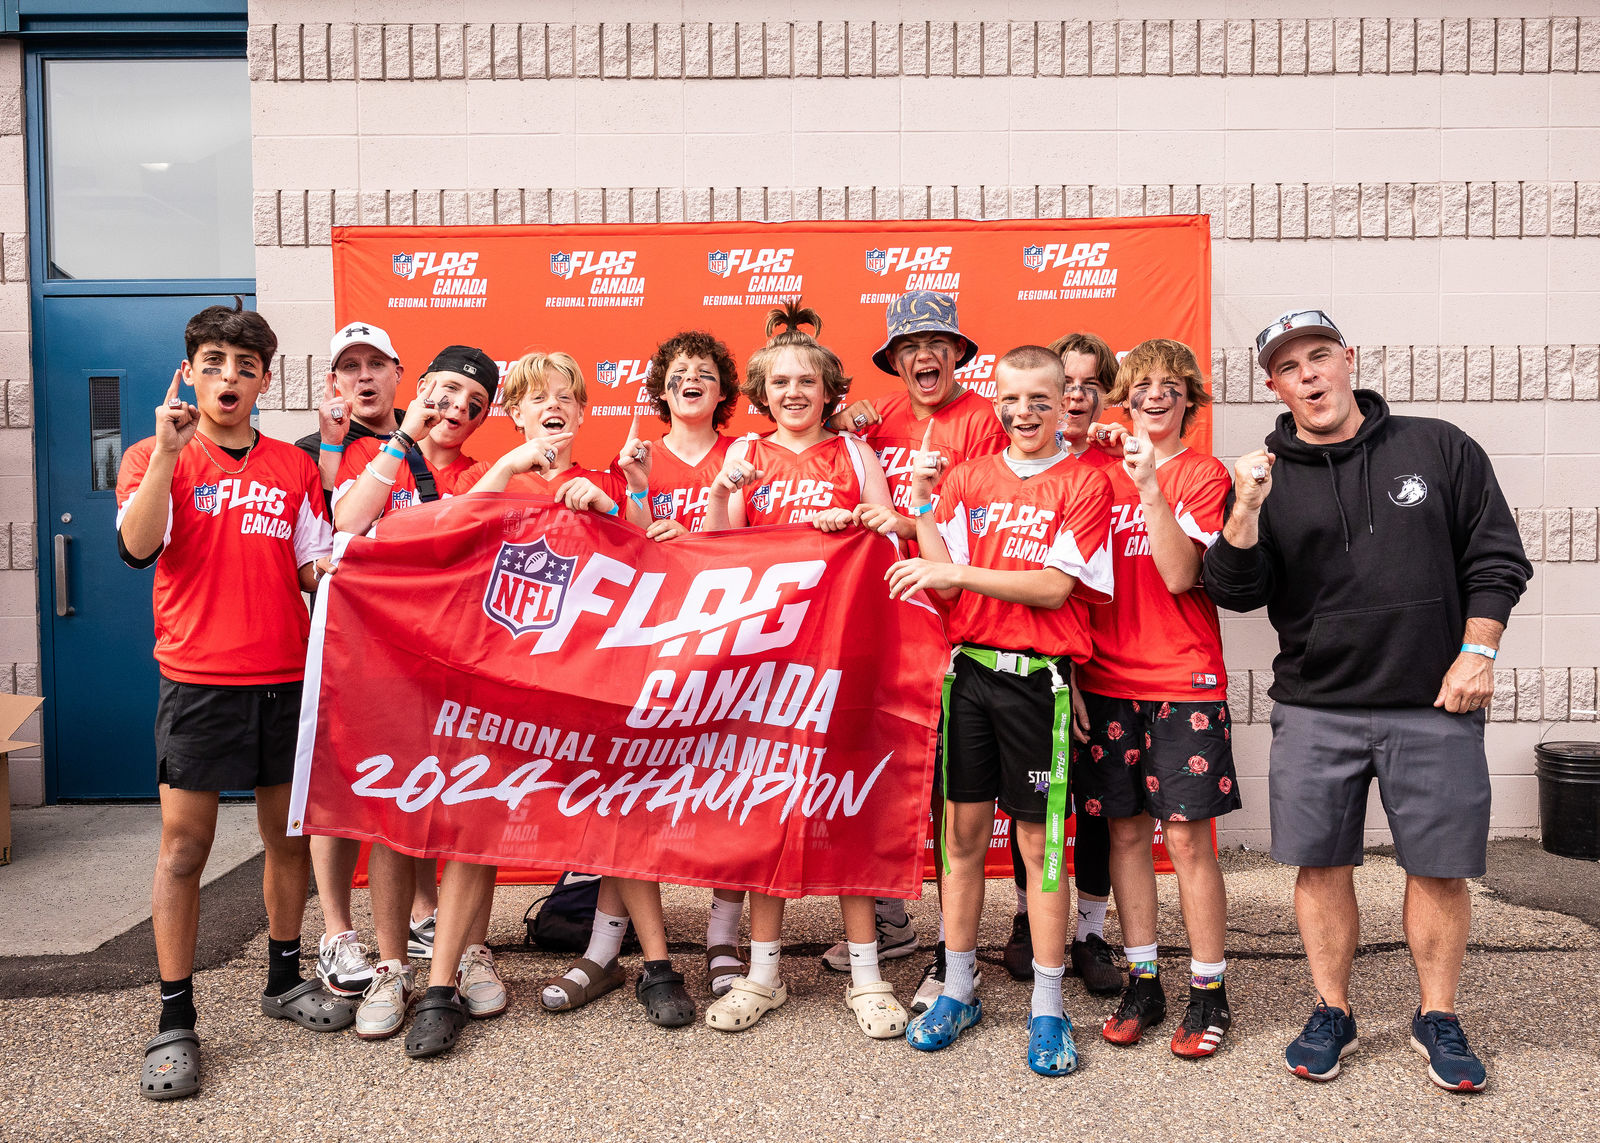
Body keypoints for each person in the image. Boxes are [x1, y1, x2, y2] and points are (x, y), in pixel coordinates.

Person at [1203, 309, 1532, 1092]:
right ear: (1274, 385)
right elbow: (1236, 591)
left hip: (1434, 703)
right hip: (1318, 706)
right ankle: (1332, 1010)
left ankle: (1438, 1015)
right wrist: (1244, 509)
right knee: (1320, 865)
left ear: (1349, 359)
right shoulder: (1261, 477)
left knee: (1440, 867)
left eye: (1320, 356)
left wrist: (1477, 652)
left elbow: (1496, 556)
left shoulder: (1437, 445)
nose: (1309, 374)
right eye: (1290, 367)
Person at [118, 301, 345, 1101]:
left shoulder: (290, 466)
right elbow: (138, 546)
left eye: (245, 366)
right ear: (190, 370)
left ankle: (284, 980)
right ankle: (175, 1018)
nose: (229, 377)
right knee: (185, 850)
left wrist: (367, 580)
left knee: (287, 842)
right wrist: (163, 458)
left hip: (285, 678)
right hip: (199, 682)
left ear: (263, 380)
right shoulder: (156, 452)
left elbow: (314, 566)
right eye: (214, 361)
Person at [400, 351, 649, 1060]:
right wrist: (511, 469)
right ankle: (442, 987)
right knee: (474, 833)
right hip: (499, 692)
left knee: (618, 817)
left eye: (568, 396)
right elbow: (442, 535)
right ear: (514, 413)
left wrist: (616, 503)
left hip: (586, 690)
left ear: (583, 411)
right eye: (539, 396)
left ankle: (650, 964)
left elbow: (657, 571)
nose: (555, 406)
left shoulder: (604, 476)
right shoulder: (492, 477)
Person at [886, 344, 1115, 1076]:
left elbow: (1053, 588)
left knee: (1040, 849)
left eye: (1041, 400)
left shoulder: (1084, 482)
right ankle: (959, 987)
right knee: (959, 838)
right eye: (1011, 400)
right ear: (997, 400)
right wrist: (924, 506)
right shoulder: (966, 477)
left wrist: (950, 564)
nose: (1024, 413)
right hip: (971, 676)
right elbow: (944, 590)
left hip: (1037, 684)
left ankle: (1048, 1006)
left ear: (1065, 400)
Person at [701, 302, 907, 1040]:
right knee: (767, 816)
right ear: (761, 392)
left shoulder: (856, 456)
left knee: (845, 809)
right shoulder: (746, 457)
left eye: (807, 381)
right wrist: (725, 489)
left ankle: (867, 974)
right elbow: (715, 558)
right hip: (766, 670)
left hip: (845, 660)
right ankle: (762, 973)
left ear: (829, 391)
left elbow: (889, 544)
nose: (793, 391)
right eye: (780, 381)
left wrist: (855, 526)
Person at [541, 331, 743, 1025]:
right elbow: (624, 554)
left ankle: (723, 936)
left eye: (705, 372)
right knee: (629, 795)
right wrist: (633, 495)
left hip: (723, 648)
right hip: (648, 651)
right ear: (660, 388)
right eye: (678, 372)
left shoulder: (740, 455)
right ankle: (605, 949)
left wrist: (679, 532)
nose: (690, 379)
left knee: (728, 789)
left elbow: (746, 547)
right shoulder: (632, 458)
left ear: (723, 391)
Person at [828, 290, 1008, 1003]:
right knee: (888, 771)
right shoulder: (880, 419)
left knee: (952, 795)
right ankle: (895, 919)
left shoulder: (989, 423)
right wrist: (850, 429)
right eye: (908, 346)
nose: (923, 355)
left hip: (957, 621)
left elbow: (990, 519)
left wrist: (903, 520)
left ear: (959, 354)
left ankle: (952, 942)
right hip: (884, 621)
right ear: (895, 360)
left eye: (937, 343)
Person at [1069, 338, 1240, 1059]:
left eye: (1170, 385)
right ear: (1124, 397)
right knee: (1127, 836)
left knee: (1187, 843)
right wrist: (1076, 675)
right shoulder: (1091, 474)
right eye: (1141, 385)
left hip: (1182, 679)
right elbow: (1072, 584)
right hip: (1107, 679)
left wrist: (1149, 486)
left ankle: (1209, 990)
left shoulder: (1203, 472)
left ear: (1189, 399)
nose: (1154, 395)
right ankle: (1145, 977)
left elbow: (1178, 574)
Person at [328, 344, 498, 1041]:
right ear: (422, 385)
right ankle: (393, 964)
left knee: (472, 818)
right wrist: (403, 440)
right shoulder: (368, 454)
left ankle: (463, 955)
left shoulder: (485, 472)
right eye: (449, 391)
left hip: (464, 669)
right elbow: (346, 522)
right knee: (393, 820)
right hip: (383, 669)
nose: (458, 409)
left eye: (475, 405)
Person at [294, 322, 440, 1002]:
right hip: (343, 650)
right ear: (334, 381)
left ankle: (420, 917)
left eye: (375, 363)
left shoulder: (425, 448)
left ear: (397, 372)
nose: (363, 376)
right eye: (349, 366)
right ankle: (335, 929)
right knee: (340, 791)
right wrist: (329, 452)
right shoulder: (310, 452)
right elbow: (314, 557)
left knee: (413, 784)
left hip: (415, 649)